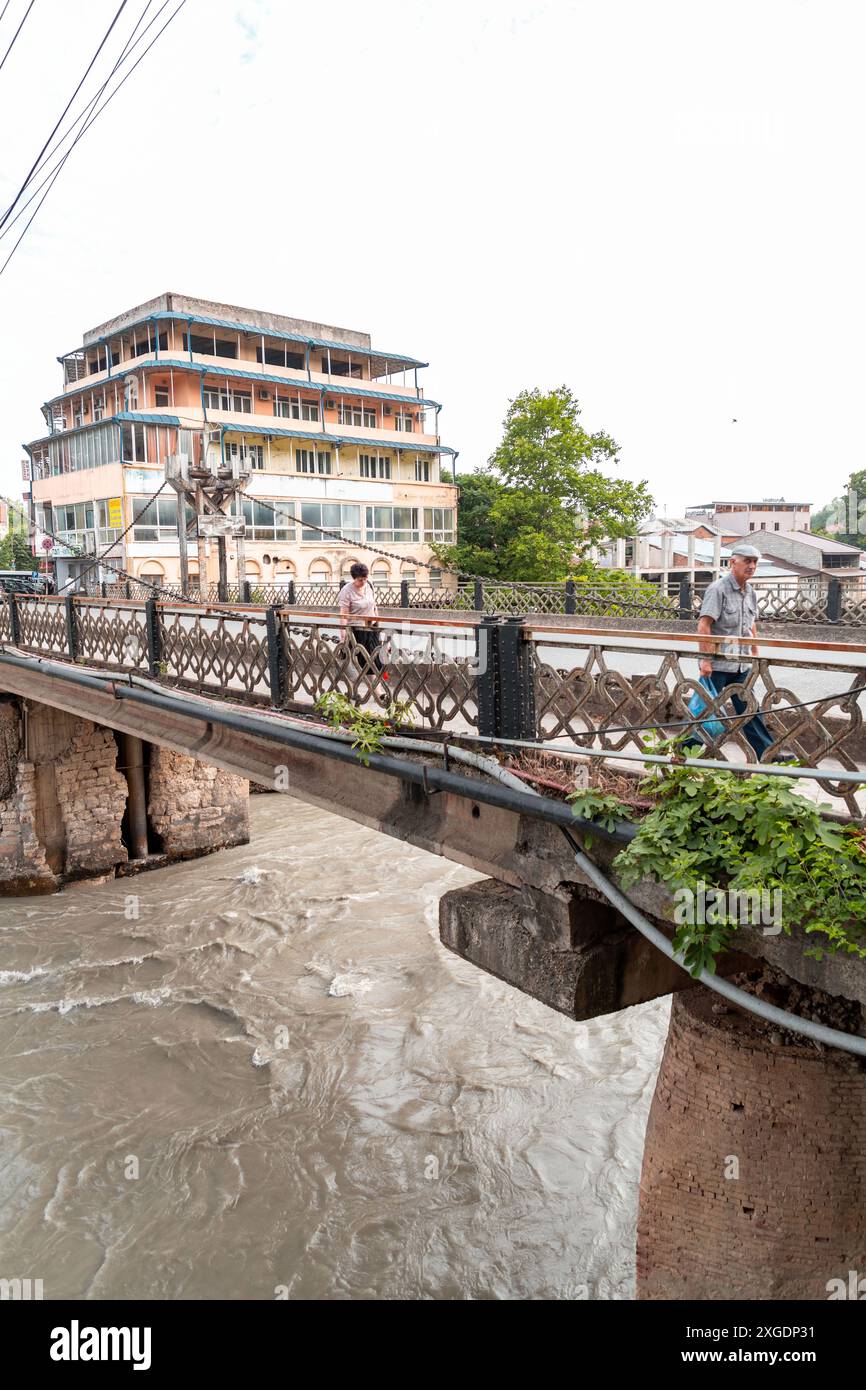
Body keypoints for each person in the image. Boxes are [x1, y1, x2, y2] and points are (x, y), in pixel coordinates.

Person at [695, 542, 781, 761]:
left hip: (740, 663)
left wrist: (755, 652)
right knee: (707, 710)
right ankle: (687, 751)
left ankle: (767, 755)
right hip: (718, 663)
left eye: (755, 562)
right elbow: (704, 625)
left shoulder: (750, 591)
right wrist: (705, 659)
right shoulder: (718, 589)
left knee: (751, 711)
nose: (752, 566)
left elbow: (751, 625)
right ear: (733, 562)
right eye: (747, 562)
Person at [338, 562, 387, 676]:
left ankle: (378, 692)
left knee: (375, 661)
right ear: (353, 578)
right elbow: (343, 614)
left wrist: (379, 627)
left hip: (372, 627)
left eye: (365, 579)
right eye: (360, 580)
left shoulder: (369, 585)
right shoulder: (346, 591)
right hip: (357, 630)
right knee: (361, 662)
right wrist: (343, 635)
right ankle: (356, 690)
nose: (363, 582)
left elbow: (374, 607)